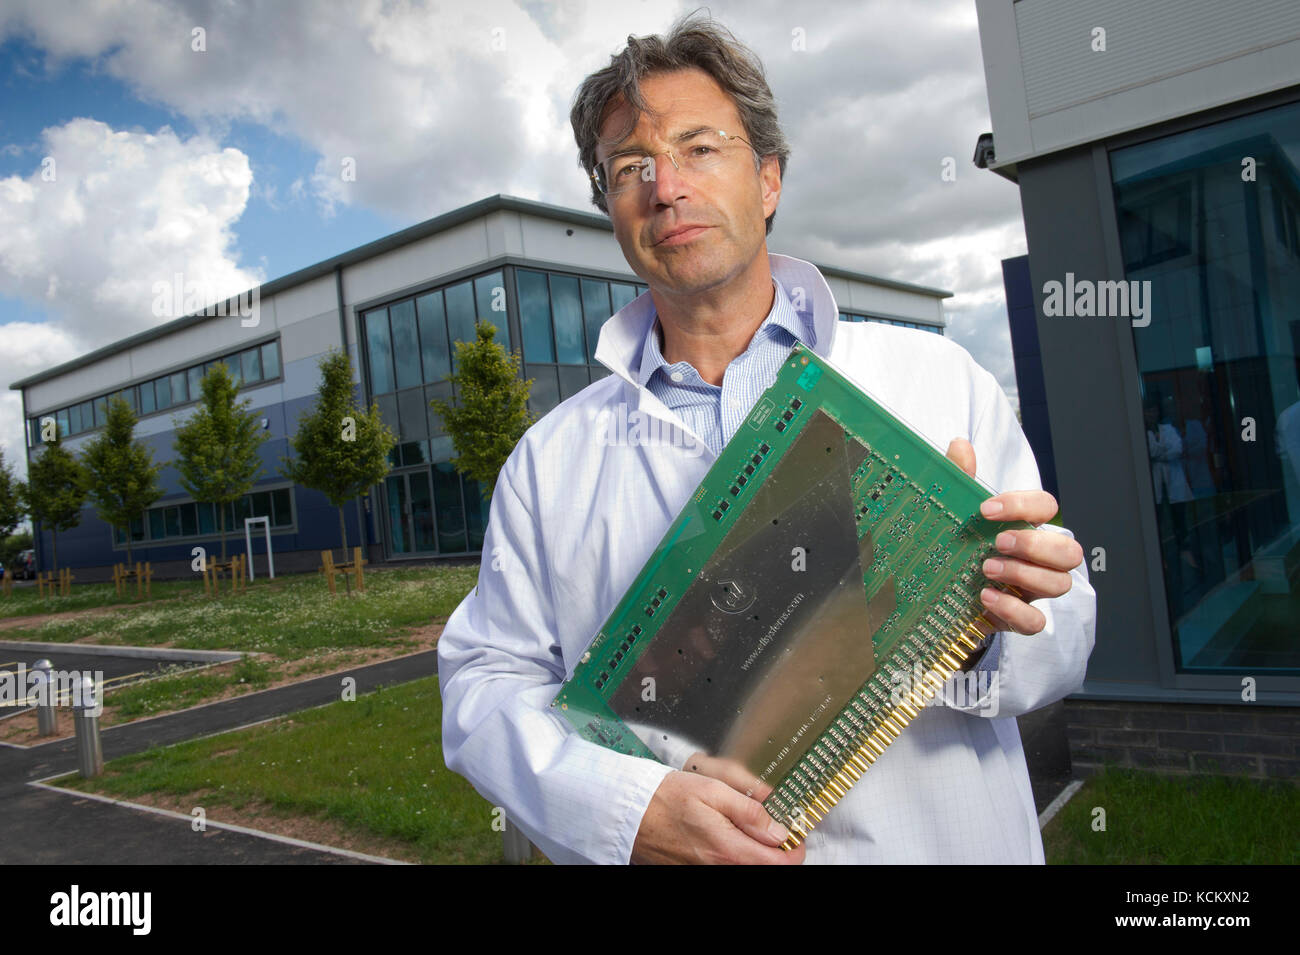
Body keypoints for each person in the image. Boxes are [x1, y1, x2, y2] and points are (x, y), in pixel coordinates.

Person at [437, 13, 1095, 865]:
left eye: (699, 148)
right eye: (629, 167)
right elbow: (487, 680)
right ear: (610, 207)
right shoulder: (548, 461)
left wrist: (981, 620)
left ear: (770, 178)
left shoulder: (935, 380)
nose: (665, 186)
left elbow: (1070, 629)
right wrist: (627, 810)